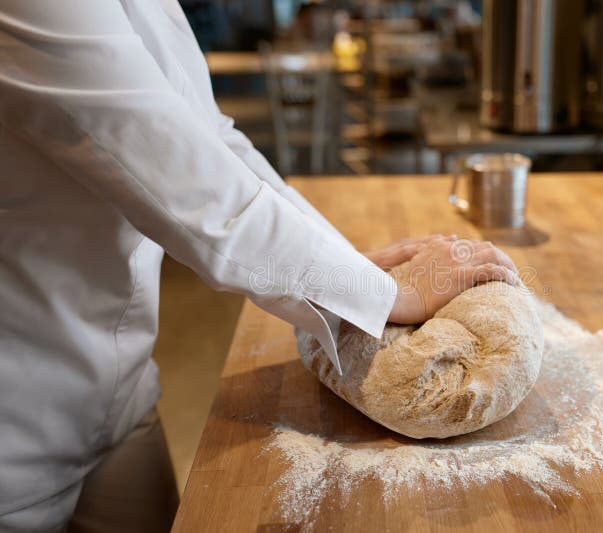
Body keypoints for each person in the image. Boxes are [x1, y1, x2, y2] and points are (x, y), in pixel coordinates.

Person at [0, 2, 517, 531]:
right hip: (19, 431)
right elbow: (185, 180)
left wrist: (345, 262)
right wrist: (385, 294)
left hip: (121, 391)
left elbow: (213, 139)